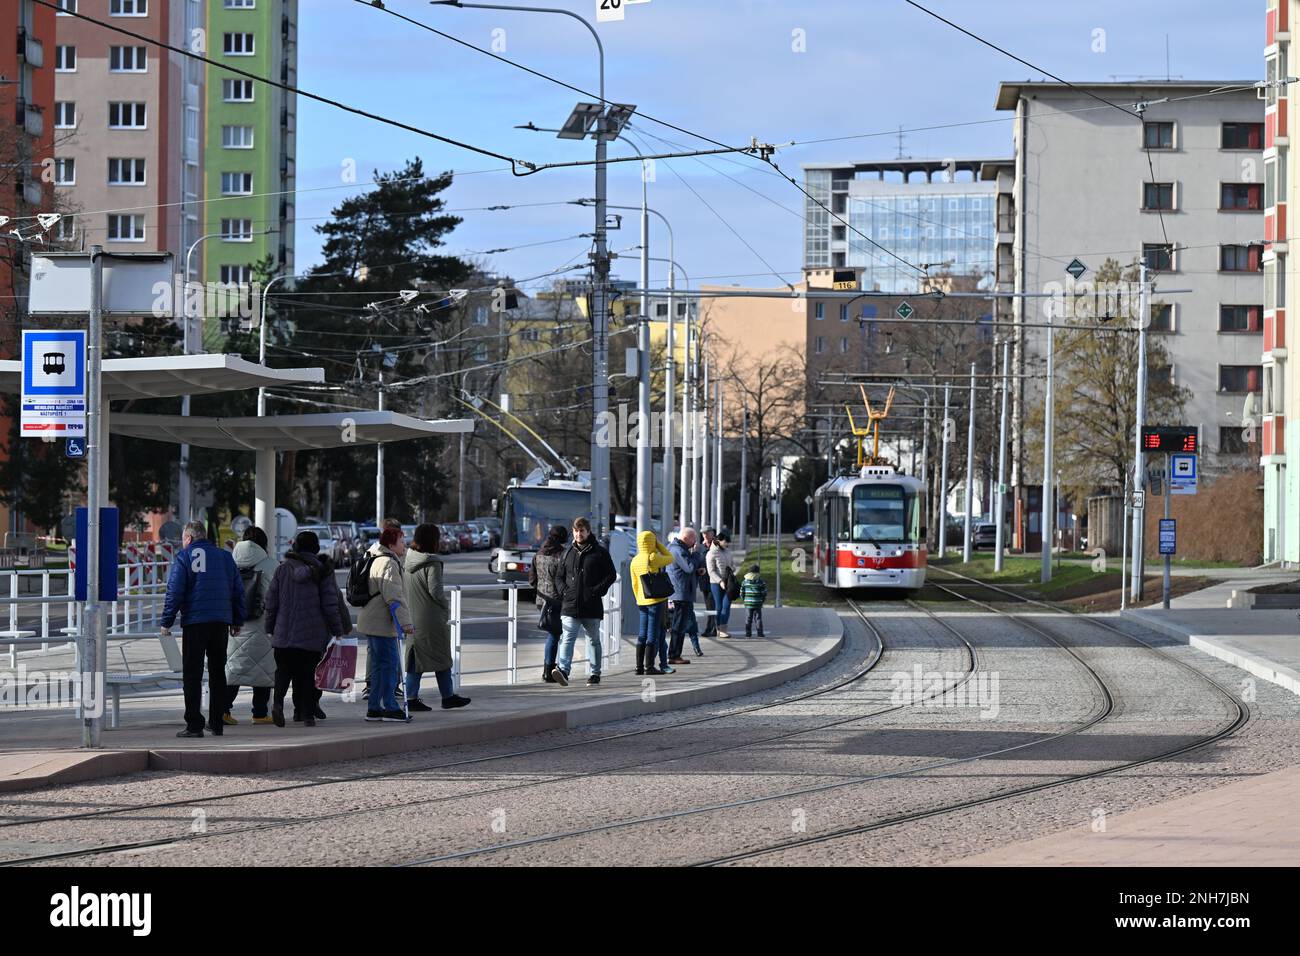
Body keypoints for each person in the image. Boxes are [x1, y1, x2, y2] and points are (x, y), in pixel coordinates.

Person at [160, 520, 245, 738]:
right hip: (220, 622)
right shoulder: (225, 557)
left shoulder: (184, 557)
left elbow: (175, 592)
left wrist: (167, 621)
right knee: (218, 672)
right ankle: (216, 722)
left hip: (195, 622)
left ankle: (194, 725)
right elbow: (237, 590)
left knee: (192, 674)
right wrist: (237, 620)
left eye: (183, 540)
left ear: (188, 538)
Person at [263, 530, 343, 728]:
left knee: (283, 672)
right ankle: (307, 715)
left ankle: (278, 704)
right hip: (312, 633)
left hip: (284, 632)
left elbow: (271, 601)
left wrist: (269, 626)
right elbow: (330, 604)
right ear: (316, 548)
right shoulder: (322, 570)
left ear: (296, 547)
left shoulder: (283, 569)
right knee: (307, 674)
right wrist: (337, 629)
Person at [404, 523, 471, 711]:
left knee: (415, 659)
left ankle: (411, 697)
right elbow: (435, 590)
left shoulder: (408, 559)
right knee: (441, 657)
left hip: (412, 614)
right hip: (431, 617)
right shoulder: (432, 562)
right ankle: (447, 696)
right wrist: (445, 605)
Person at [356, 525, 413, 721]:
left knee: (380, 666)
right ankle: (389, 706)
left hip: (373, 620)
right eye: (402, 541)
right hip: (382, 622)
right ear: (391, 544)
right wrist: (406, 623)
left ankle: (374, 707)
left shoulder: (376, 557)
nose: (405, 545)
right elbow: (394, 597)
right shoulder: (388, 563)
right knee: (389, 665)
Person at [552, 517, 617, 686]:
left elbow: (611, 575)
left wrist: (596, 591)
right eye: (576, 531)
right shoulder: (567, 552)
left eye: (582, 531)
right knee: (567, 638)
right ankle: (564, 671)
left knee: (593, 640)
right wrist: (564, 592)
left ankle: (595, 673)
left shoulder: (600, 552)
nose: (578, 534)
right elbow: (559, 576)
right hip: (570, 605)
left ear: (588, 532)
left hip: (591, 605)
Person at [223, 526, 277, 725]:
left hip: (234, 625)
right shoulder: (272, 565)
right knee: (262, 668)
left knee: (233, 668)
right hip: (262, 625)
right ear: (263, 544)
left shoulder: (229, 563)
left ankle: (223, 710)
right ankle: (260, 713)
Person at [629, 529, 674, 676]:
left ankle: (638, 667)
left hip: (642, 601)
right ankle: (649, 667)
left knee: (641, 634)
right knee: (652, 634)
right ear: (652, 542)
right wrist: (658, 544)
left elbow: (634, 584)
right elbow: (670, 557)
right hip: (656, 600)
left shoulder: (634, 560)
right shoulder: (653, 557)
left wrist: (638, 598)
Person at [529, 525, 568, 683]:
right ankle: (549, 670)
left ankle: (549, 669)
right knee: (555, 634)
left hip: (542, 601)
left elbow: (532, 580)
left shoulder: (538, 554)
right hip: (557, 601)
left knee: (554, 633)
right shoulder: (561, 555)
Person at [666, 526, 706, 665]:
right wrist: (695, 553)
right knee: (679, 625)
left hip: (683, 592)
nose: (695, 542)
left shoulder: (680, 548)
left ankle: (675, 654)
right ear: (686, 538)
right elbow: (688, 567)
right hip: (680, 593)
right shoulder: (677, 549)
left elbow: (687, 569)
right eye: (694, 539)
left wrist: (697, 571)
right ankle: (673, 655)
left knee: (681, 625)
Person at [706, 531, 737, 639]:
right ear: (718, 541)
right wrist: (720, 581)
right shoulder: (711, 553)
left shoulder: (728, 552)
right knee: (719, 607)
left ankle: (723, 629)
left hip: (729, 582)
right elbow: (711, 571)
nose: (727, 544)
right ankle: (718, 628)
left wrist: (731, 569)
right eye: (725, 542)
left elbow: (733, 565)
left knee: (727, 605)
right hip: (716, 583)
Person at [697, 527, 718, 637]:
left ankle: (712, 628)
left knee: (713, 605)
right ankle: (713, 627)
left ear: (712, 533)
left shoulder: (717, 545)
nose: (704, 535)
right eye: (703, 533)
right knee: (709, 606)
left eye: (706, 533)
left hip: (715, 580)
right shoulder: (701, 547)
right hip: (704, 580)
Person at [740, 562, 768, 638]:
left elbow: (742, 592)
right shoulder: (761, 581)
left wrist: (744, 600)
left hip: (748, 604)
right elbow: (764, 592)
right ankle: (760, 633)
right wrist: (762, 600)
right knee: (758, 618)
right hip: (758, 603)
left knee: (748, 619)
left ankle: (748, 633)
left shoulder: (745, 581)